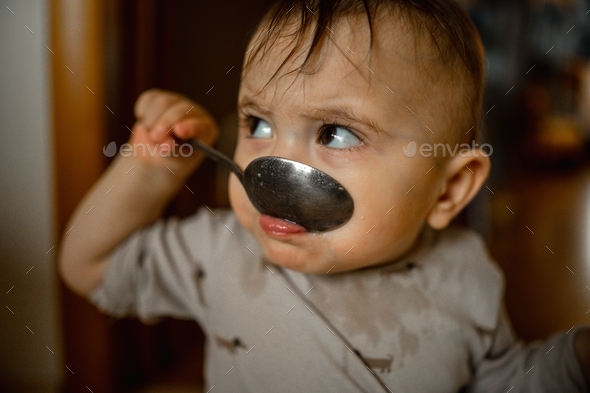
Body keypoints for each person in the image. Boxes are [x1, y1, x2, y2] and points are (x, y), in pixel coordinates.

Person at [58, 0, 590, 391]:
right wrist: (150, 173)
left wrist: (574, 362)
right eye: (258, 123)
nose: (270, 165)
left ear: (449, 188)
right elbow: (88, 264)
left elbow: (499, 383)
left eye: (336, 132)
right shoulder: (223, 253)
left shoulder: (466, 276)